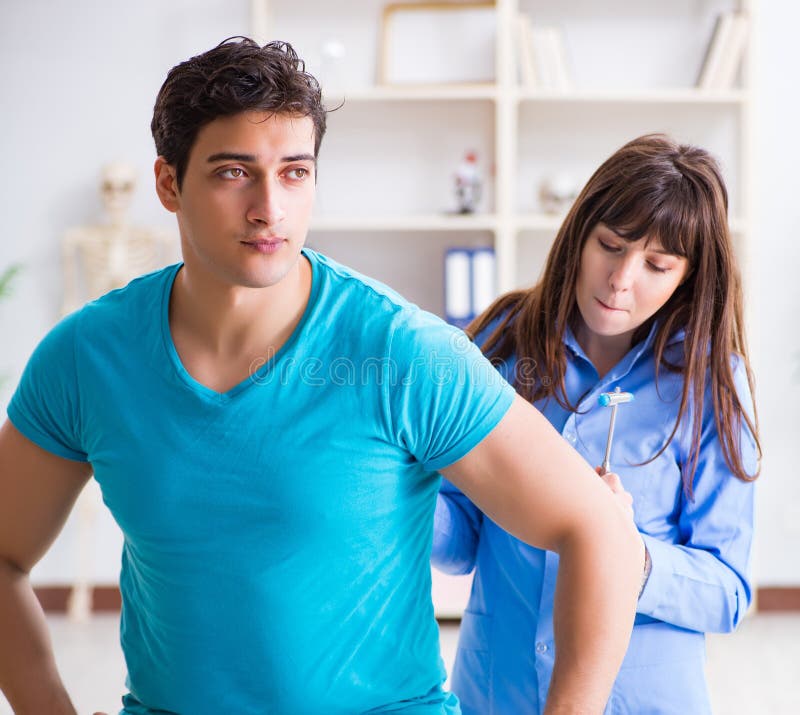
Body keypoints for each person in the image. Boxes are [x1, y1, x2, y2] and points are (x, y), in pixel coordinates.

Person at [0, 38, 644, 715]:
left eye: (295, 172)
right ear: (169, 183)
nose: (269, 208)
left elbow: (598, 529)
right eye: (233, 172)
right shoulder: (88, 358)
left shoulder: (400, 351)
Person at [432, 133, 761, 714]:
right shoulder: (503, 339)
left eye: (657, 265)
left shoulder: (711, 381)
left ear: (687, 276)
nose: (621, 280)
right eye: (610, 246)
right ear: (579, 234)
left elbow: (728, 596)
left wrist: (626, 554)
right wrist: (395, 488)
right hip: (496, 690)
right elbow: (459, 542)